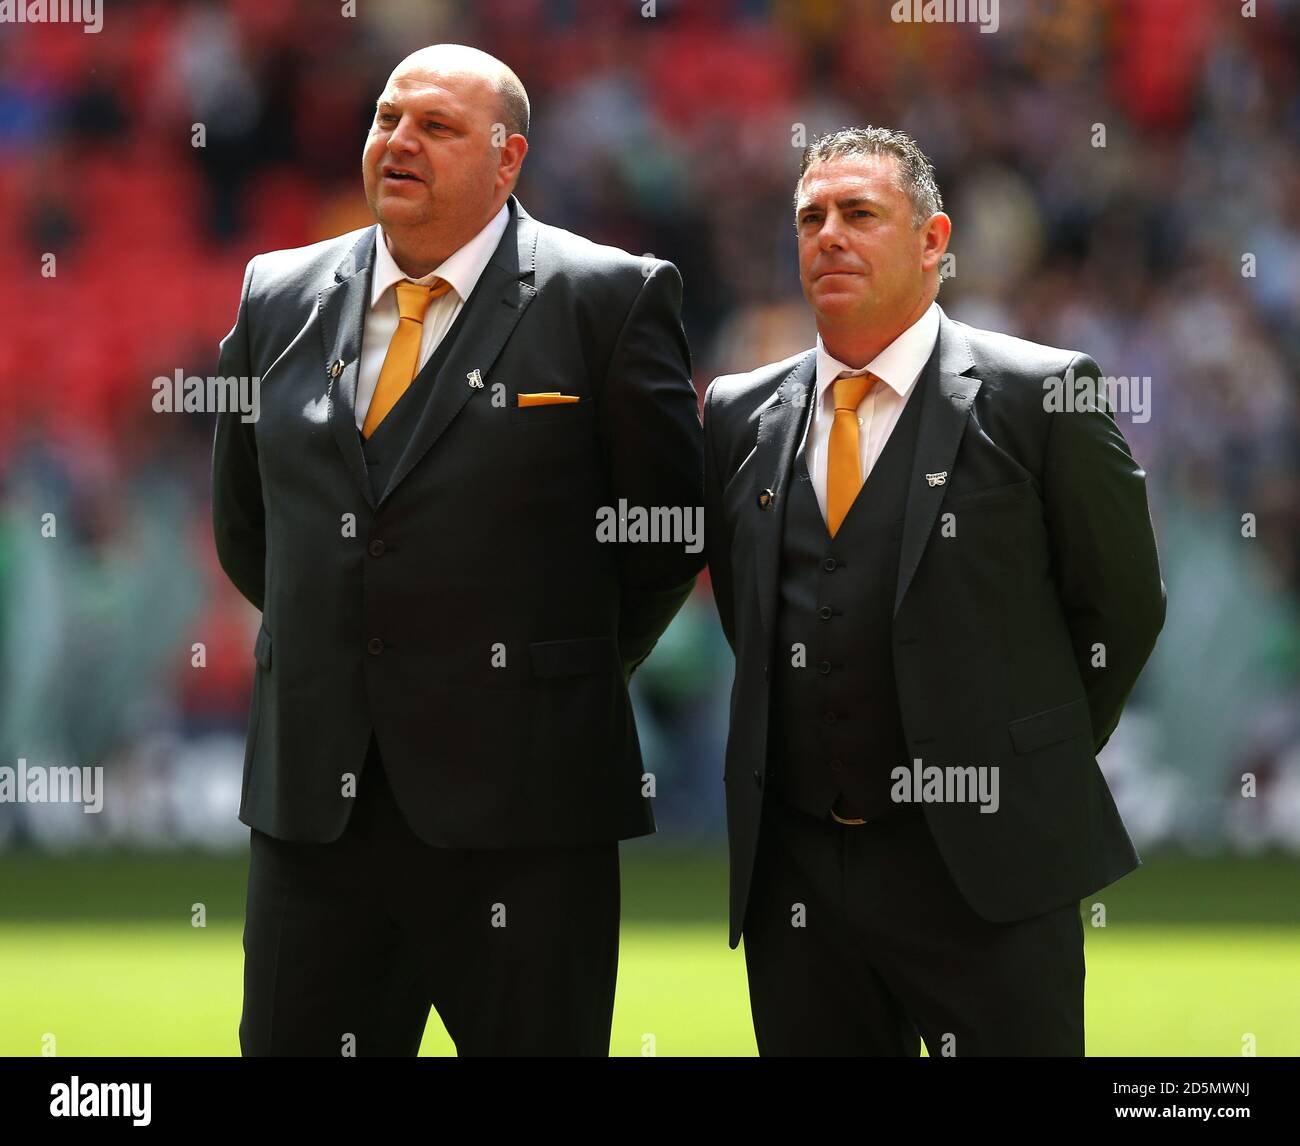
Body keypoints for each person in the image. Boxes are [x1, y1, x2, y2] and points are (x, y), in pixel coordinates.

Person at [211, 44, 703, 1056]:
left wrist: (549, 673)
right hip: (318, 819)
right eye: (387, 118)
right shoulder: (275, 295)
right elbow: (249, 526)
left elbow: (663, 535)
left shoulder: (607, 298)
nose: (398, 140)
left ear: (508, 159)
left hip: (531, 820)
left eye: (435, 127)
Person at [702, 127, 1165, 1055]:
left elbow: (1121, 607)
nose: (828, 234)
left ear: (933, 240)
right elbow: (752, 615)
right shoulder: (737, 412)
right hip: (797, 881)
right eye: (810, 218)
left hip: (988, 870)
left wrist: (1025, 748)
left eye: (859, 214)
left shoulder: (1044, 395)